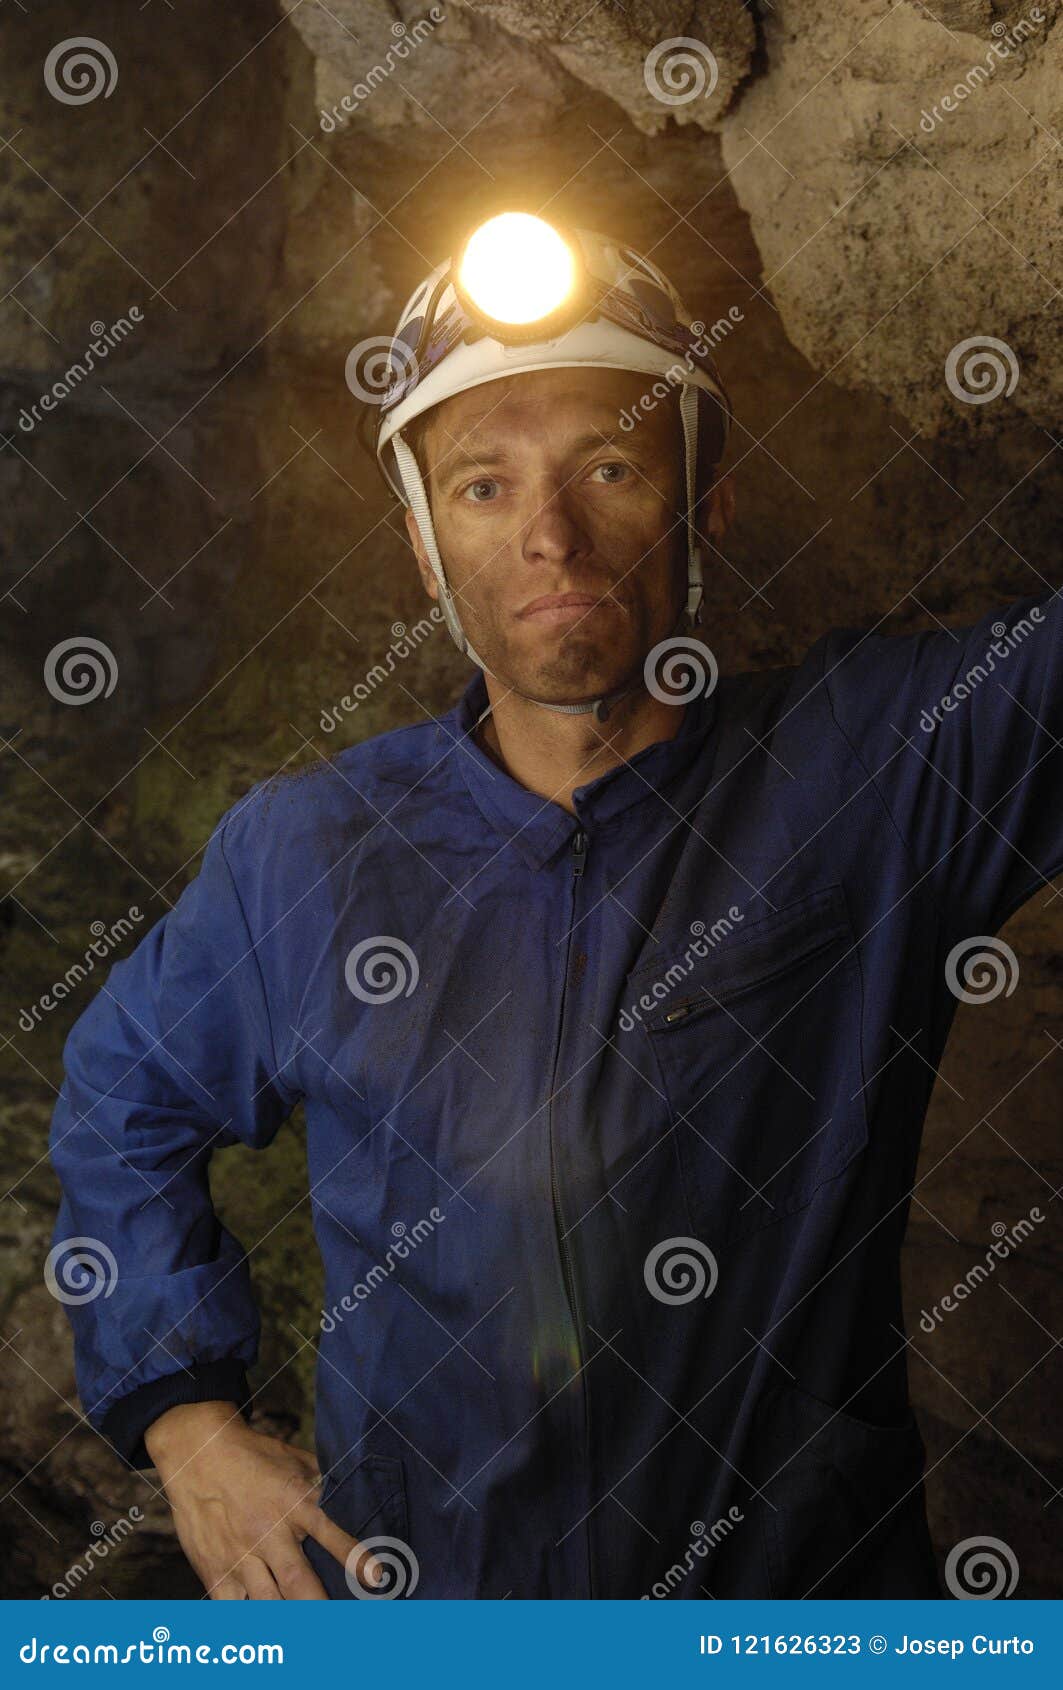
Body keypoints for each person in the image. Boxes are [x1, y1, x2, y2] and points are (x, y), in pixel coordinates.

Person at [48, 212, 1061, 1600]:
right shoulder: (310, 854)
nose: (551, 537)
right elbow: (125, 1096)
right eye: (482, 486)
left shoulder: (870, 773)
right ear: (424, 547)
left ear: (704, 504)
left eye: (611, 466)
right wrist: (188, 1422)